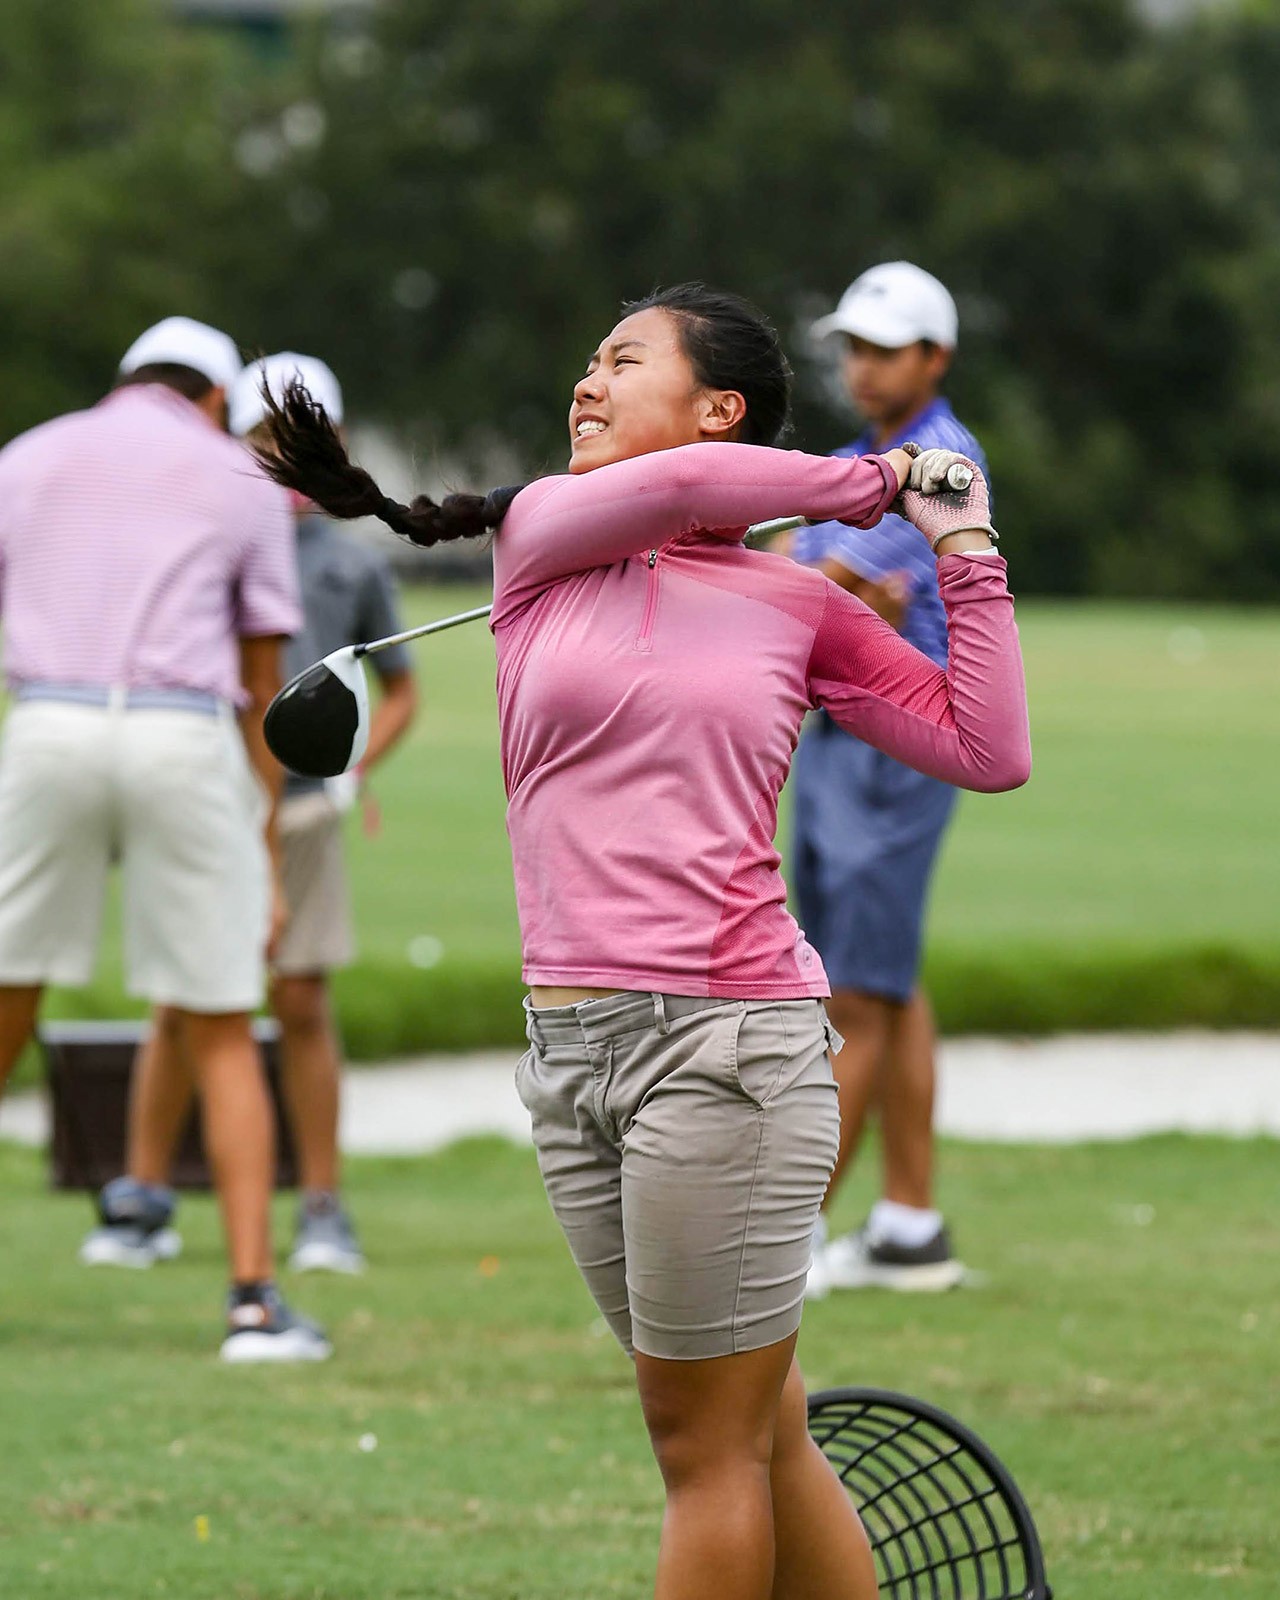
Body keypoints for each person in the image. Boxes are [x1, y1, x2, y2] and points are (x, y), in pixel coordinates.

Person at [258, 282, 1029, 1600]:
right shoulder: (545, 537)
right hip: (570, 1057)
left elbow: (986, 746)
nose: (588, 383)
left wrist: (965, 549)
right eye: (590, 362)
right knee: (755, 1427)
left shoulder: (797, 607)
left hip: (731, 1048)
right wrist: (877, 476)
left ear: (719, 408)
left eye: (625, 361)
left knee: (707, 1448)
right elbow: (681, 501)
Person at [0, 316, 329, 1363]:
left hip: (45, 722)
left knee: (9, 994)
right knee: (221, 1018)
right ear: (218, 398)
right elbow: (264, 677)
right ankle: (251, 1302)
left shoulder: (28, 454)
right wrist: (267, 844)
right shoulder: (238, 476)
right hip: (181, 734)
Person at [86, 352, 418, 1275]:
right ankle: (142, 1198)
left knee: (301, 998)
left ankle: (320, 1206)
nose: (282, 457)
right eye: (267, 439)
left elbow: (399, 694)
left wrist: (352, 769)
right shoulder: (201, 535)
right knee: (181, 1003)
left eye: (303, 440)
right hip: (200, 793)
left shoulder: (349, 563)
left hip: (303, 810)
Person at [790, 262, 990, 1296]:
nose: (859, 366)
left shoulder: (939, 460)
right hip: (841, 746)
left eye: (881, 348)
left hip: (891, 748)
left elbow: (847, 593)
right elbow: (803, 565)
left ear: (932, 357)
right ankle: (908, 1222)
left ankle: (794, 1236)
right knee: (888, 983)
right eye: (851, 347)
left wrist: (805, 575)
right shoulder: (852, 460)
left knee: (856, 995)